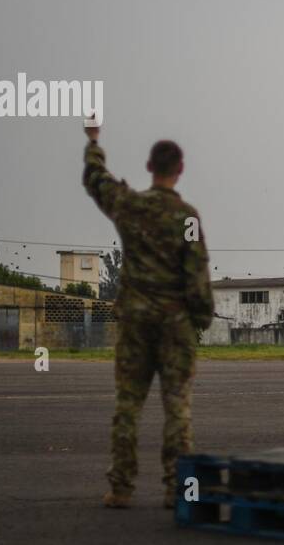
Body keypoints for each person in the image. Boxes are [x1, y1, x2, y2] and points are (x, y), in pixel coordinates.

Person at [82, 119, 214, 508]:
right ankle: (176, 488)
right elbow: (197, 273)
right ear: (181, 169)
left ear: (148, 168)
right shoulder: (187, 219)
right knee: (177, 407)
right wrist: (201, 317)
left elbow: (96, 180)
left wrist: (94, 141)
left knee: (128, 403)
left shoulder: (130, 207)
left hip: (136, 321)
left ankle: (121, 487)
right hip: (175, 325)